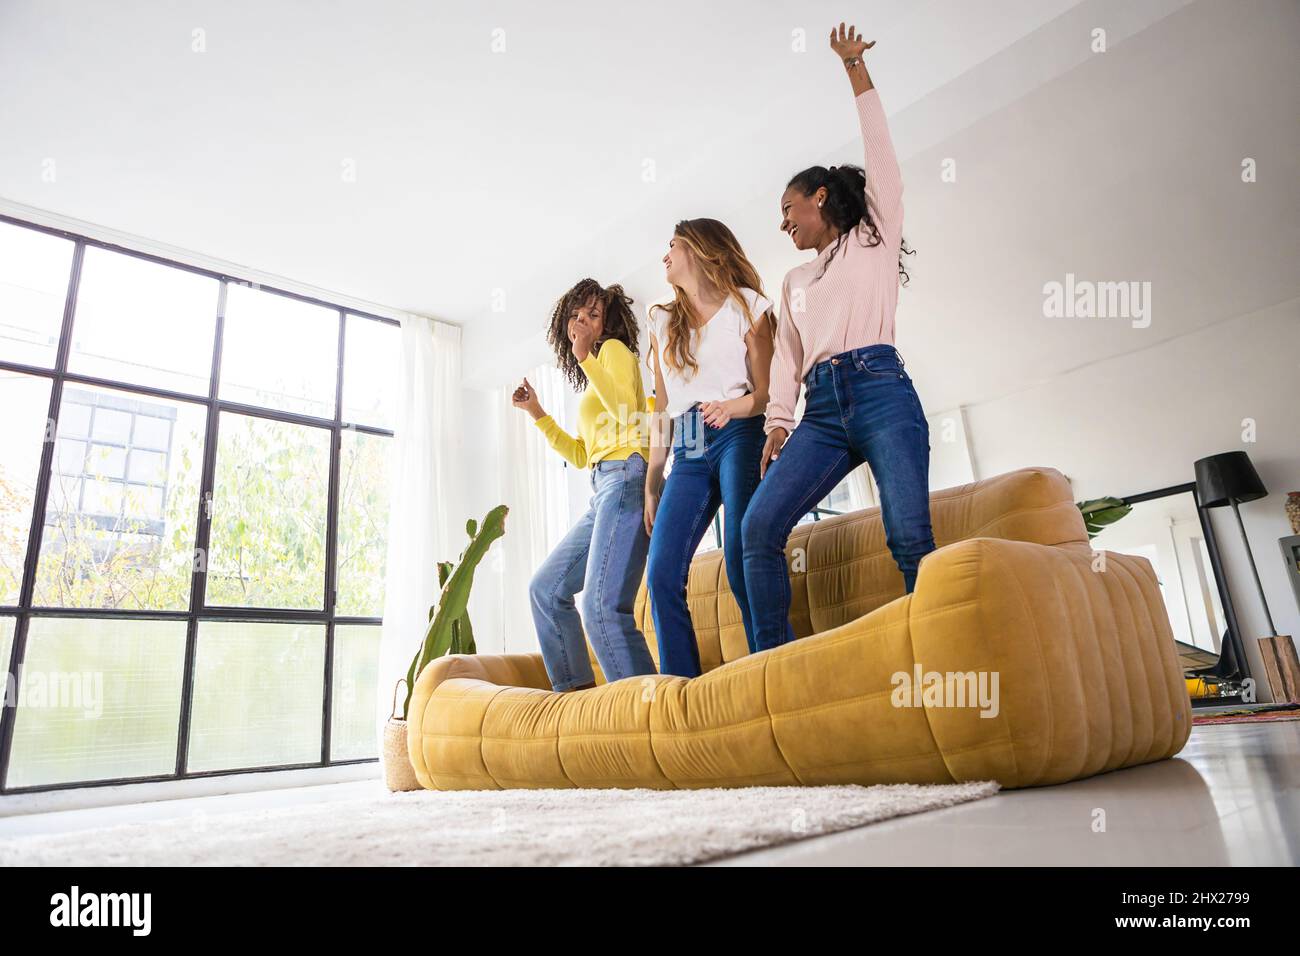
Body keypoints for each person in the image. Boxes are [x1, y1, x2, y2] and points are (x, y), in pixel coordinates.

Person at [741, 23, 935, 652]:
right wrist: (776, 424)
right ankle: (772, 668)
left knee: (908, 537)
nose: (783, 222)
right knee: (758, 526)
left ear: (820, 197)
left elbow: (881, 155)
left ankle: (937, 658)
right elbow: (789, 362)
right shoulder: (794, 278)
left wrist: (854, 69)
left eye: (788, 207)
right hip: (820, 414)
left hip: (881, 392)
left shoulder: (872, 234)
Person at [643, 219, 775, 676]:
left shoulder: (748, 306)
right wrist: (652, 480)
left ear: (699, 249)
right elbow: (661, 404)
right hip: (689, 443)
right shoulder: (661, 320)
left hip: (740, 430)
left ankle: (770, 667)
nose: (665, 254)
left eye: (673, 245)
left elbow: (766, 393)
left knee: (742, 554)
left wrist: (732, 408)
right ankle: (682, 690)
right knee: (660, 572)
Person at [511, 279, 657, 690]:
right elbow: (580, 454)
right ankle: (576, 699)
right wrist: (536, 411)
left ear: (609, 322)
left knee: (601, 609)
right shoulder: (594, 377)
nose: (583, 322)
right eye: (577, 315)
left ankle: (647, 718)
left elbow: (628, 412)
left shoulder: (615, 352)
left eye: (594, 315)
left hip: (627, 477)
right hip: (603, 486)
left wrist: (586, 358)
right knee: (545, 589)